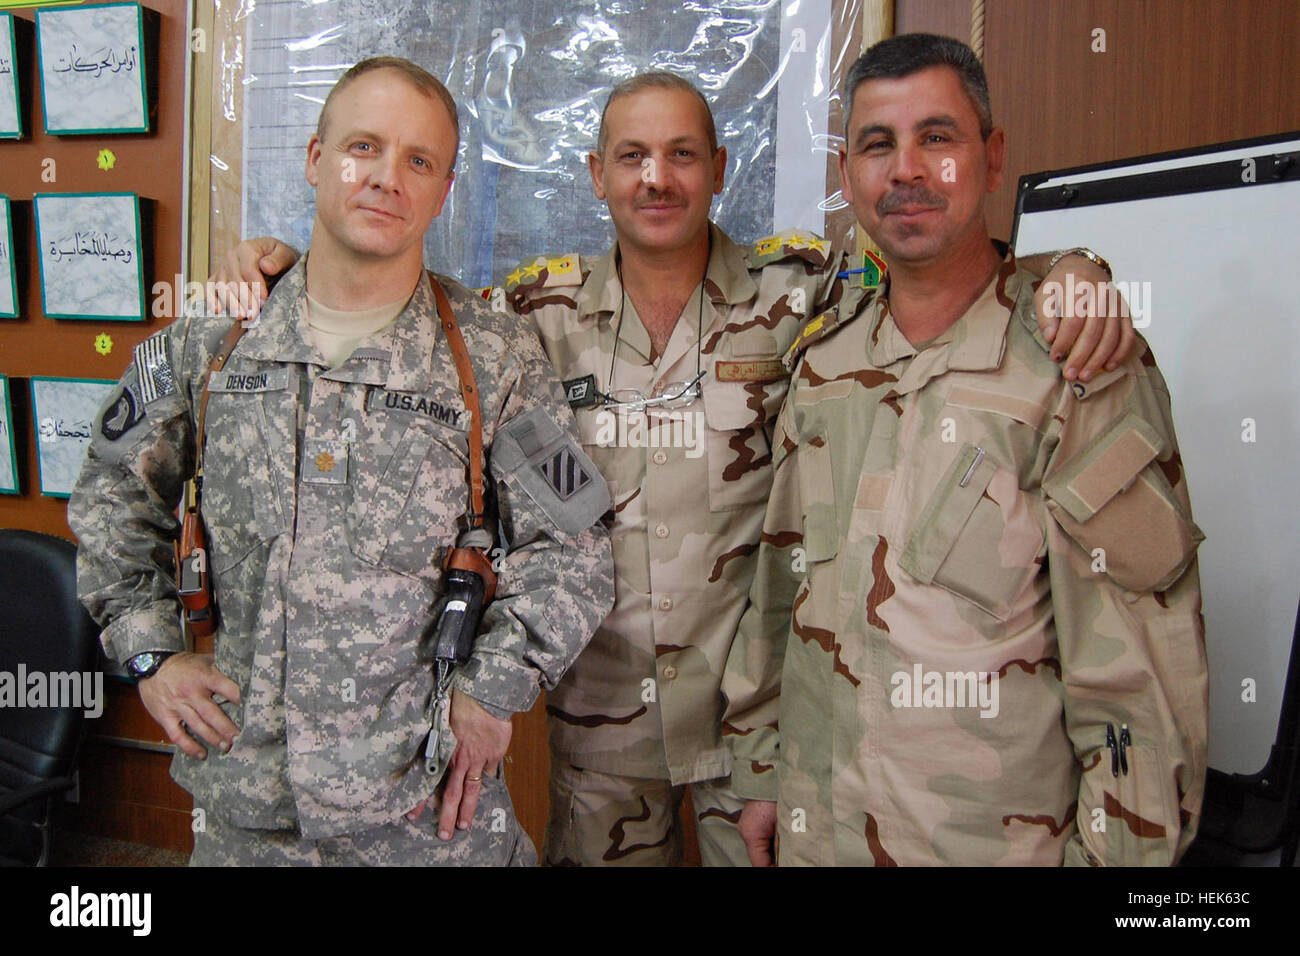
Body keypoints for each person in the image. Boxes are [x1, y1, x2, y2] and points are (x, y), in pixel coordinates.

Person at [213, 73, 1132, 866]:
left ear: (720, 169)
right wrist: (288, 267)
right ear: (597, 174)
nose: (657, 178)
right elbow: (391, 294)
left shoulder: (801, 290)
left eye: (683, 155)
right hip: (600, 719)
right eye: (632, 157)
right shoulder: (532, 310)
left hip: (754, 720)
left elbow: (933, 260)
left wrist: (1066, 265)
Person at [68, 57, 614, 866]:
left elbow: (572, 546)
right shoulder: (209, 340)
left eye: (418, 161)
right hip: (245, 812)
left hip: (428, 817)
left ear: (445, 186)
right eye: (364, 147)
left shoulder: (494, 357)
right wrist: (149, 651)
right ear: (317, 157)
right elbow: (113, 497)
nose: (387, 178)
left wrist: (495, 688)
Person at [722, 33, 1208, 866]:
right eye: (878, 144)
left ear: (992, 157)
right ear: (849, 178)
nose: (906, 169)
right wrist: (764, 772)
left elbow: (1137, 670)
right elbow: (781, 590)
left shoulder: (1073, 363)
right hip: (820, 829)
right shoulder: (825, 363)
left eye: (936, 138)